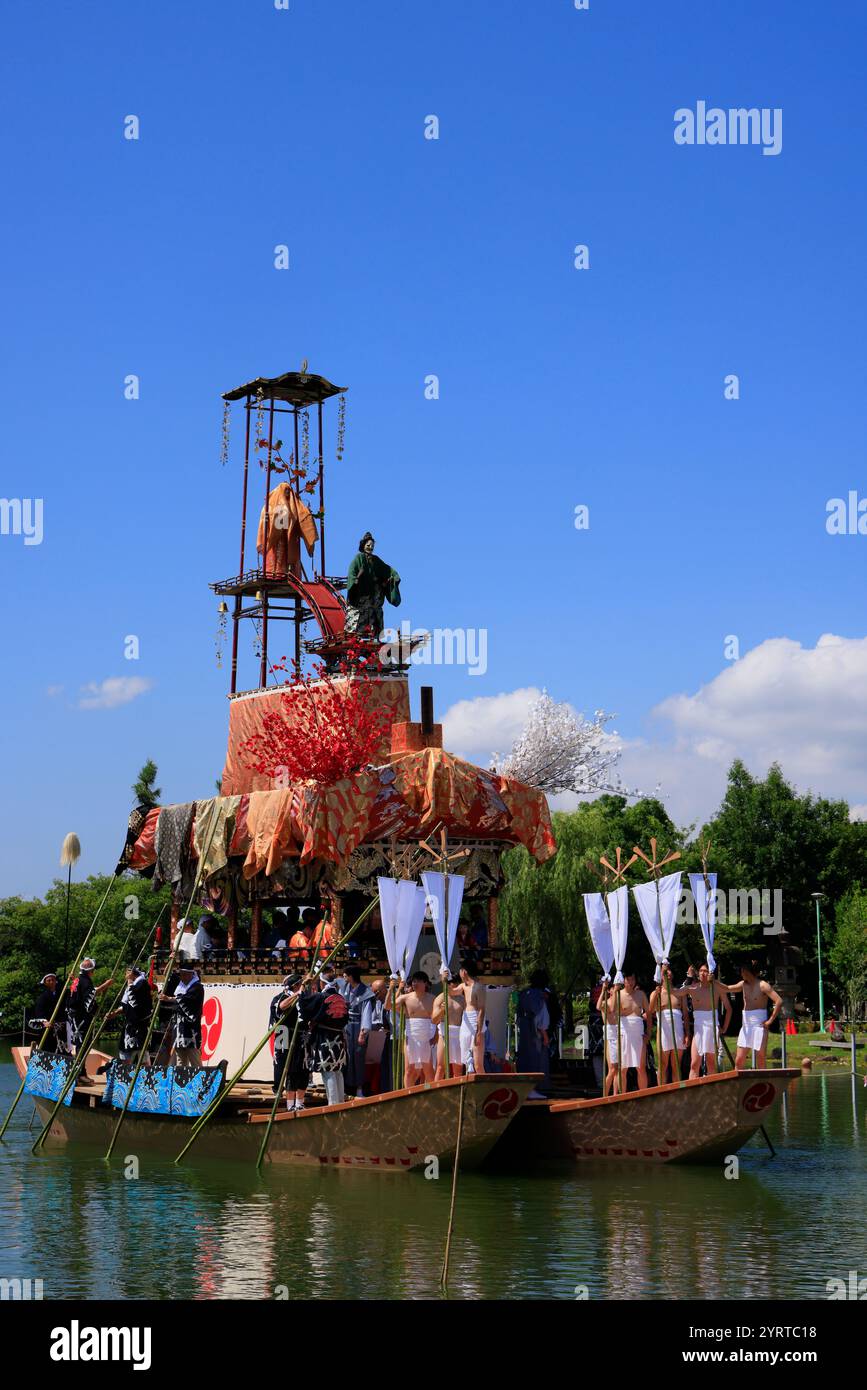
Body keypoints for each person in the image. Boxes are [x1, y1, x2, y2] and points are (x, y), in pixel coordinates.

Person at [298, 971, 350, 1106]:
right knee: (337, 1070)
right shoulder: (341, 998)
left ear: (322, 983)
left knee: (328, 1071)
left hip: (325, 1038)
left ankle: (333, 1104)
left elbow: (303, 1006)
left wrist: (304, 985)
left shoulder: (321, 997)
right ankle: (339, 1102)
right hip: (339, 1038)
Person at [725, 961, 783, 1070]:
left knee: (760, 1058)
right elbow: (728, 988)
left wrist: (770, 1021)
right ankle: (739, 1085)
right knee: (739, 1059)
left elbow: (779, 1001)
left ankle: (763, 1084)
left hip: (759, 1024)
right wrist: (713, 982)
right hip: (746, 1025)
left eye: (742, 971)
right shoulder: (743, 984)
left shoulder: (763, 985)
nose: (741, 973)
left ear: (747, 971)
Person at [344, 532, 401, 639]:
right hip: (362, 594)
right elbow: (352, 571)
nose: (370, 548)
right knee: (363, 613)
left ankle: (377, 635)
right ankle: (359, 635)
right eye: (368, 545)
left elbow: (387, 569)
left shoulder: (376, 560)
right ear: (363, 545)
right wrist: (355, 580)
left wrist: (393, 576)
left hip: (374, 594)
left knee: (377, 613)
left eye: (372, 546)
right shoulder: (358, 558)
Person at [269, 973, 308, 1111]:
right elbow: (281, 1006)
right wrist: (297, 994)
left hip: (298, 1034)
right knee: (281, 1061)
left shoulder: (303, 997)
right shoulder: (282, 997)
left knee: (299, 1066)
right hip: (283, 1032)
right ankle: (278, 1088)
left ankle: (299, 1101)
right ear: (295, 985)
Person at [686, 964, 731, 1079]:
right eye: (700, 971)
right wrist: (689, 977)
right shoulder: (693, 988)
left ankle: (712, 1091)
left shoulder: (717, 988)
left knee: (711, 1064)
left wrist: (724, 1028)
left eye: (705, 971)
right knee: (694, 1063)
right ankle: (692, 1091)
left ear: (710, 973)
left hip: (712, 1027)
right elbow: (677, 991)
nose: (702, 973)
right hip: (698, 1028)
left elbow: (729, 1008)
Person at [647, 965, 690, 1086]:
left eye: (669, 972)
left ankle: (678, 1092)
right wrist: (656, 994)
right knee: (663, 1065)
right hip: (663, 1031)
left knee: (676, 1064)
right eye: (664, 973)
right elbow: (650, 1011)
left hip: (678, 1030)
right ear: (660, 976)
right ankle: (662, 1092)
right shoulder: (656, 994)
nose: (667, 975)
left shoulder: (680, 993)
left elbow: (686, 1015)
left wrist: (688, 1033)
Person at [160, 962, 205, 1068]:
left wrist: (170, 999)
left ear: (190, 974)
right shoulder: (180, 984)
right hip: (179, 1027)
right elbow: (166, 974)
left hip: (190, 1028)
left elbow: (186, 1000)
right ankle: (180, 1081)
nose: (182, 977)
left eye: (184, 974)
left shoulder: (197, 987)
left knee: (194, 1058)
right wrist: (171, 959)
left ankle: (200, 1080)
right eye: (181, 974)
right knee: (180, 1059)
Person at [395, 971, 436, 1085]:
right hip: (410, 1037)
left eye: (418, 981)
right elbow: (389, 1006)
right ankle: (408, 1096)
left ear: (425, 983)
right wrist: (397, 989)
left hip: (427, 1037)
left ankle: (429, 1094)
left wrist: (436, 1036)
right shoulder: (405, 998)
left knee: (427, 1071)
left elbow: (439, 1019)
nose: (414, 983)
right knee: (409, 1071)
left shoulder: (433, 999)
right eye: (413, 981)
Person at [108, 964, 153, 1065]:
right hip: (130, 1025)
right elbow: (126, 1005)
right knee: (125, 1054)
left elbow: (134, 1003)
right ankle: (127, 1076)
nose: (125, 975)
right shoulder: (132, 985)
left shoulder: (142, 984)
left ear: (131, 973)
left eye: (126, 972)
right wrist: (114, 1013)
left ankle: (144, 1078)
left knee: (142, 1056)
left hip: (139, 1025)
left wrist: (130, 983)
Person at [612, 972, 650, 1092]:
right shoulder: (618, 995)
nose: (631, 981)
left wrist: (649, 1033)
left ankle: (644, 1095)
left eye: (633, 979)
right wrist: (614, 992)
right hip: (624, 1033)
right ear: (624, 980)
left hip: (638, 1033)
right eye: (628, 979)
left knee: (641, 1067)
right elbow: (612, 1010)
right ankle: (622, 1095)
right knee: (622, 1068)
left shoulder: (641, 994)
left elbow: (648, 1014)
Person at [67, 958, 113, 1053]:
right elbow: (92, 993)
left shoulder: (78, 980)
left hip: (74, 1015)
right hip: (81, 1016)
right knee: (83, 1042)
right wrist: (106, 985)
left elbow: (85, 992)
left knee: (80, 1041)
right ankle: (80, 1066)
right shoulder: (85, 981)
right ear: (91, 971)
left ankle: (80, 1064)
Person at [516, 970, 551, 1096]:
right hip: (536, 1033)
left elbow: (518, 1016)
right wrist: (545, 1036)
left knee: (525, 1058)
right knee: (537, 1060)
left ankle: (523, 1087)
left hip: (524, 1030)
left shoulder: (524, 994)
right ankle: (537, 1089)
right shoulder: (540, 997)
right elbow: (541, 1019)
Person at [342, 965, 374, 1098]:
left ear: (351, 976)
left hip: (358, 1026)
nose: (343, 977)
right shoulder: (345, 988)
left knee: (358, 1056)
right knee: (346, 1057)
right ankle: (347, 1087)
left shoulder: (365, 991)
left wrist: (363, 1032)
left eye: (345, 975)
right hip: (346, 1026)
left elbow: (366, 1014)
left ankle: (359, 1087)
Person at [453, 957, 487, 1076]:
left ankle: (485, 1090)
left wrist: (478, 1032)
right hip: (465, 1021)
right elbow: (451, 992)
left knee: (478, 1064)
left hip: (476, 1021)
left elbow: (482, 1009)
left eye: (460, 970)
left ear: (464, 971)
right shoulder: (463, 986)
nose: (459, 973)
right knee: (468, 1061)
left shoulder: (478, 987)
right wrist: (444, 979)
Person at [360, 978, 394, 1094]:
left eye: (377, 992)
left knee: (390, 1065)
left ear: (384, 990)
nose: (375, 995)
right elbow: (375, 1020)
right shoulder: (376, 1002)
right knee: (383, 1065)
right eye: (374, 992)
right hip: (380, 1038)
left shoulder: (393, 999)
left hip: (394, 1037)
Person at [432, 975, 466, 1080]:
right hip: (444, 1033)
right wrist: (442, 1011)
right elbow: (434, 1019)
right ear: (448, 984)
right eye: (452, 983)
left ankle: (456, 1095)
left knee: (458, 1070)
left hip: (459, 1034)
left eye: (457, 983)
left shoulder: (463, 999)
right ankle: (435, 1094)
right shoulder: (440, 998)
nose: (454, 985)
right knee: (440, 1067)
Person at [28, 973, 66, 1053]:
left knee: (61, 1049)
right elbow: (39, 1012)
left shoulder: (62, 994)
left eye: (53, 980)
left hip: (60, 1028)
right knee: (47, 1048)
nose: (51, 982)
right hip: (48, 1027)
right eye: (49, 980)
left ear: (56, 981)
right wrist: (44, 1022)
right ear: (45, 983)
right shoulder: (42, 997)